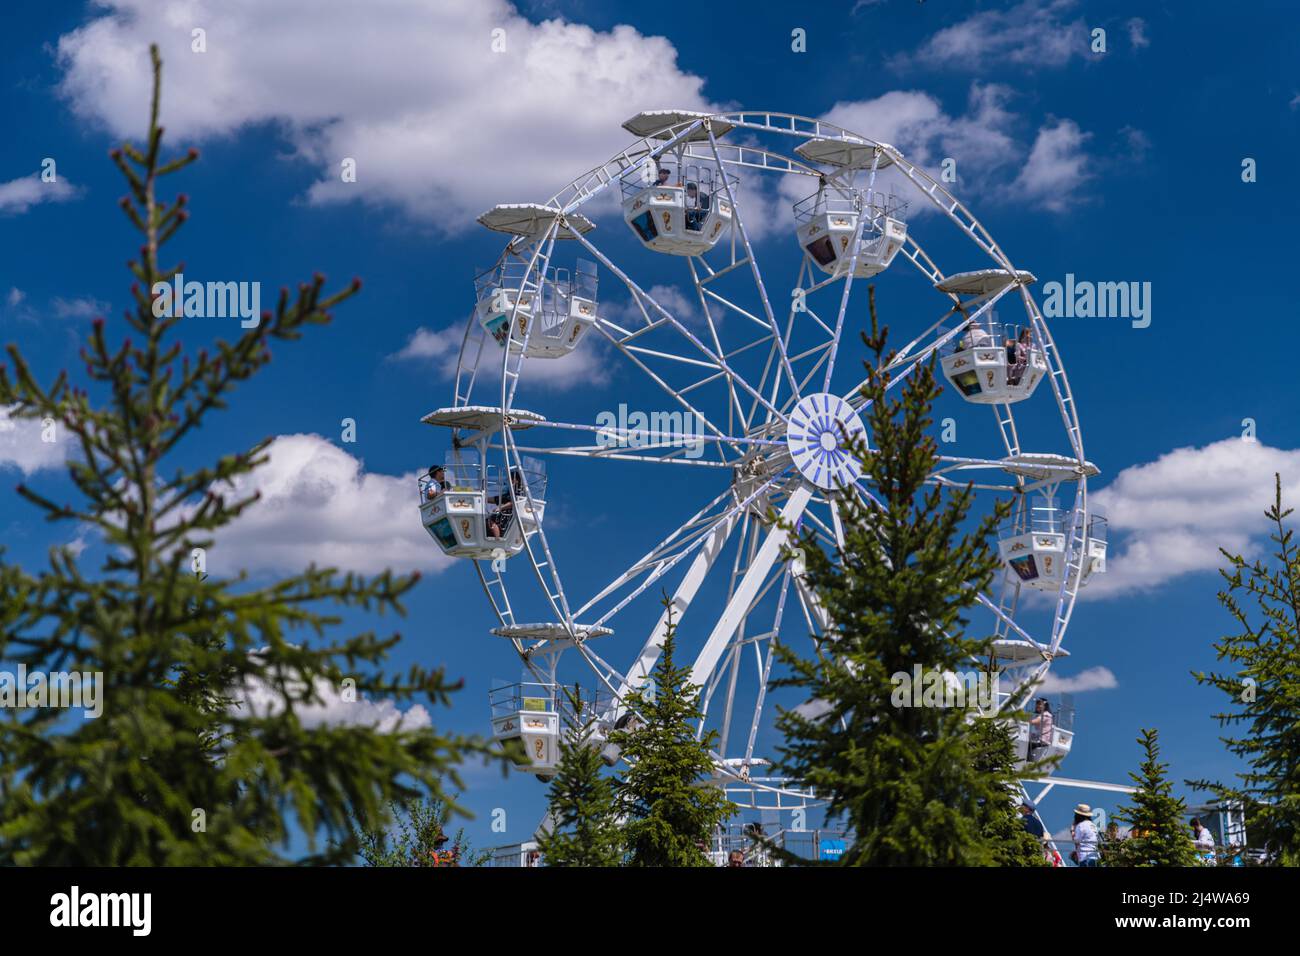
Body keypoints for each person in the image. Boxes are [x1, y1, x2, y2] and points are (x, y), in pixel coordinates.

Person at [487, 469, 524, 539]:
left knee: (492, 519)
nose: (508, 481)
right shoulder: (510, 492)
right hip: (506, 511)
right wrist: (483, 498)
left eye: (510, 479)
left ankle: (497, 539)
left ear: (516, 480)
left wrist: (500, 508)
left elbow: (513, 502)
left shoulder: (518, 492)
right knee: (489, 518)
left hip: (510, 512)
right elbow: (498, 499)